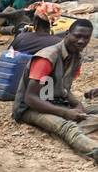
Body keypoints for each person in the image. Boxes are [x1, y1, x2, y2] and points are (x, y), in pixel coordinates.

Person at [14, 18, 98, 162]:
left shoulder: (76, 56)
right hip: (30, 108)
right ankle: (94, 151)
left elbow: (64, 89)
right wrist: (65, 112)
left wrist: (77, 105)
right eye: (77, 36)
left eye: (86, 38)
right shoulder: (47, 57)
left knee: (89, 110)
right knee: (67, 127)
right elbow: (30, 98)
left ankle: (77, 127)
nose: (81, 41)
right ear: (67, 33)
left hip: (56, 101)